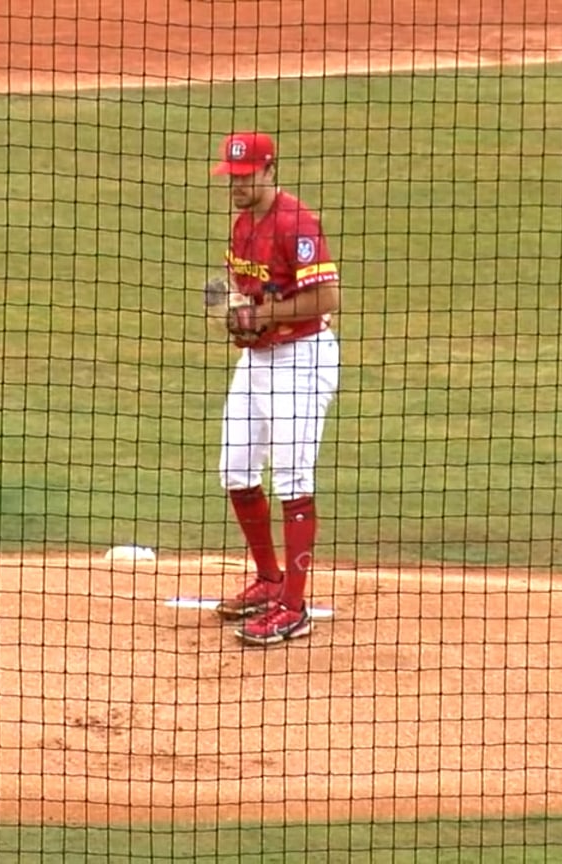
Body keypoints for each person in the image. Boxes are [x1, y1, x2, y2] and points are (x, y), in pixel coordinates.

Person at [207, 131, 343, 646]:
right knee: (235, 469)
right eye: (231, 176)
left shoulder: (296, 223)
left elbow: (329, 296)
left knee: (292, 479)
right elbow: (231, 287)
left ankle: (294, 607)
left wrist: (261, 314)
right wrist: (233, 315)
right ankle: (268, 580)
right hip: (258, 360)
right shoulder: (242, 227)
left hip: (301, 362)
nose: (237, 185)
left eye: (245, 176)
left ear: (268, 170)